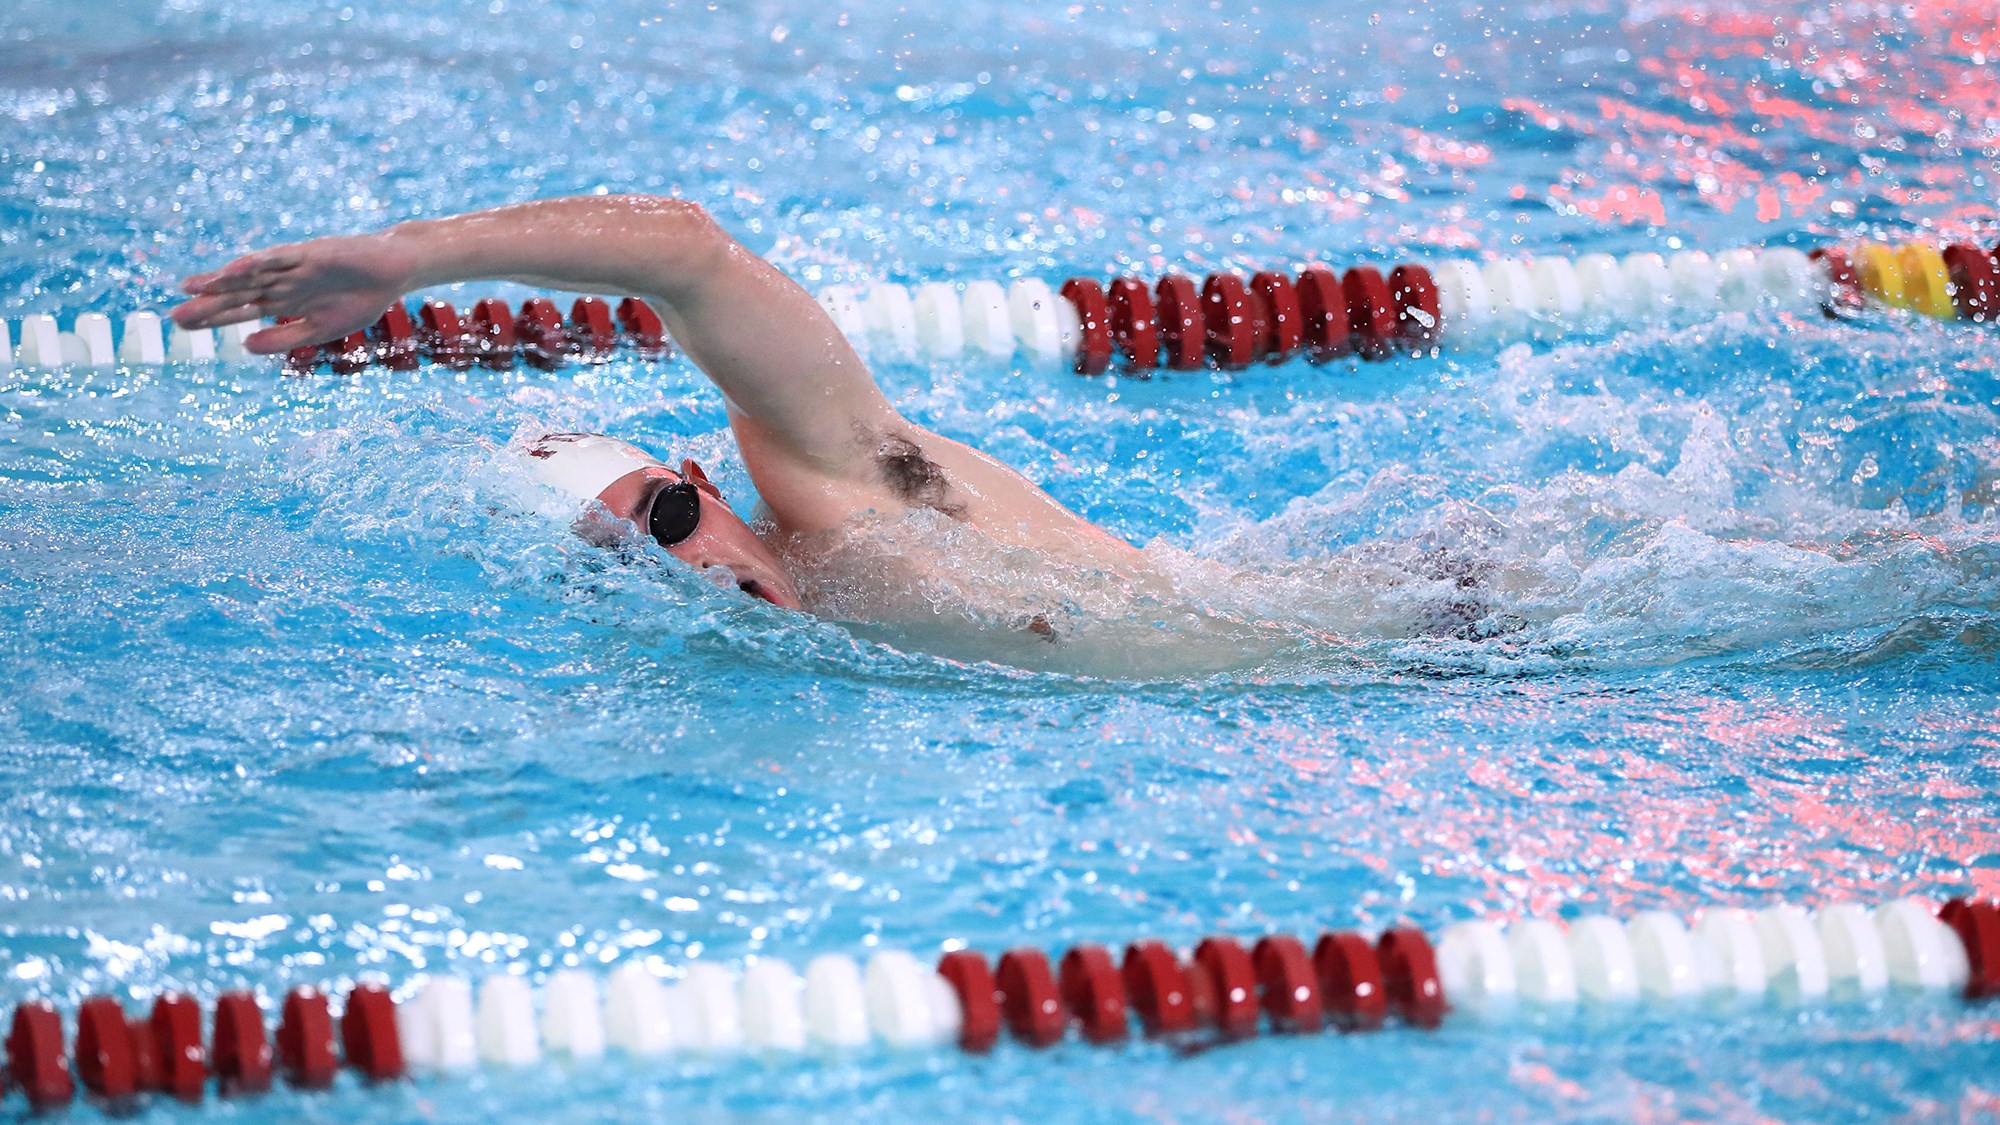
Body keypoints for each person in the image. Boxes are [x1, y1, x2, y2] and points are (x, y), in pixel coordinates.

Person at [171, 195, 1179, 653]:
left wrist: (415, 258)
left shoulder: (853, 502)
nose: (685, 569)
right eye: (622, 566)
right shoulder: (797, 661)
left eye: (665, 521)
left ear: (700, 477)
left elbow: (687, 252)